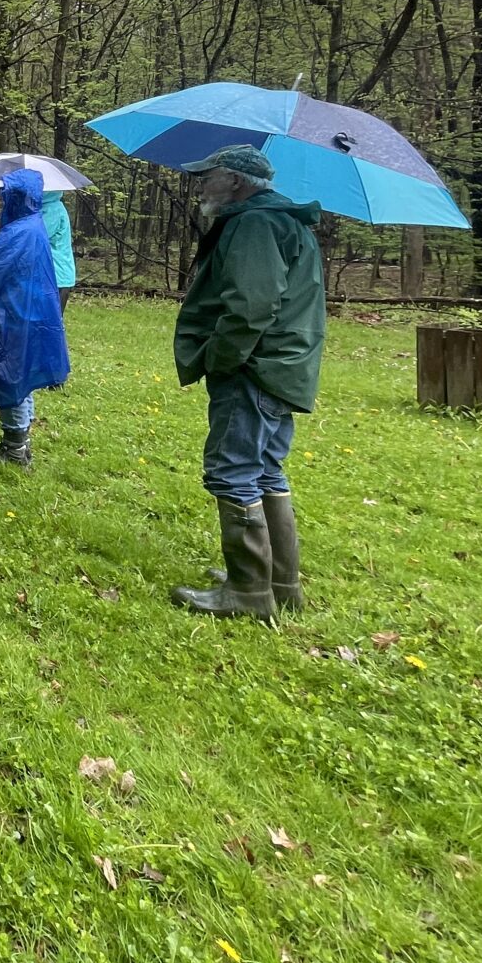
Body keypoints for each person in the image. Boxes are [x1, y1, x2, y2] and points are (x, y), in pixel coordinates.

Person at [169, 146, 326, 621]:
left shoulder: (255, 224)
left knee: (233, 470)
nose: (200, 186)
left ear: (235, 181)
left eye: (208, 176)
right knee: (266, 471)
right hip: (283, 365)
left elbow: (250, 307)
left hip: (254, 369)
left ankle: (248, 591)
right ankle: (280, 583)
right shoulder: (285, 220)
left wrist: (221, 359)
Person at [0, 169, 69, 464]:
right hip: (25, 313)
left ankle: (15, 450)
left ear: (17, 198)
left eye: (7, 195)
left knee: (11, 378)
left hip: (14, 316)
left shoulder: (20, 232)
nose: (2, 200)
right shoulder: (32, 226)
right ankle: (17, 445)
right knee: (20, 378)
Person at [42, 189, 77, 311]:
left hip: (56, 275)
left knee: (50, 321)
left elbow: (39, 236)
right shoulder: (50, 206)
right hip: (54, 274)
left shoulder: (51, 209)